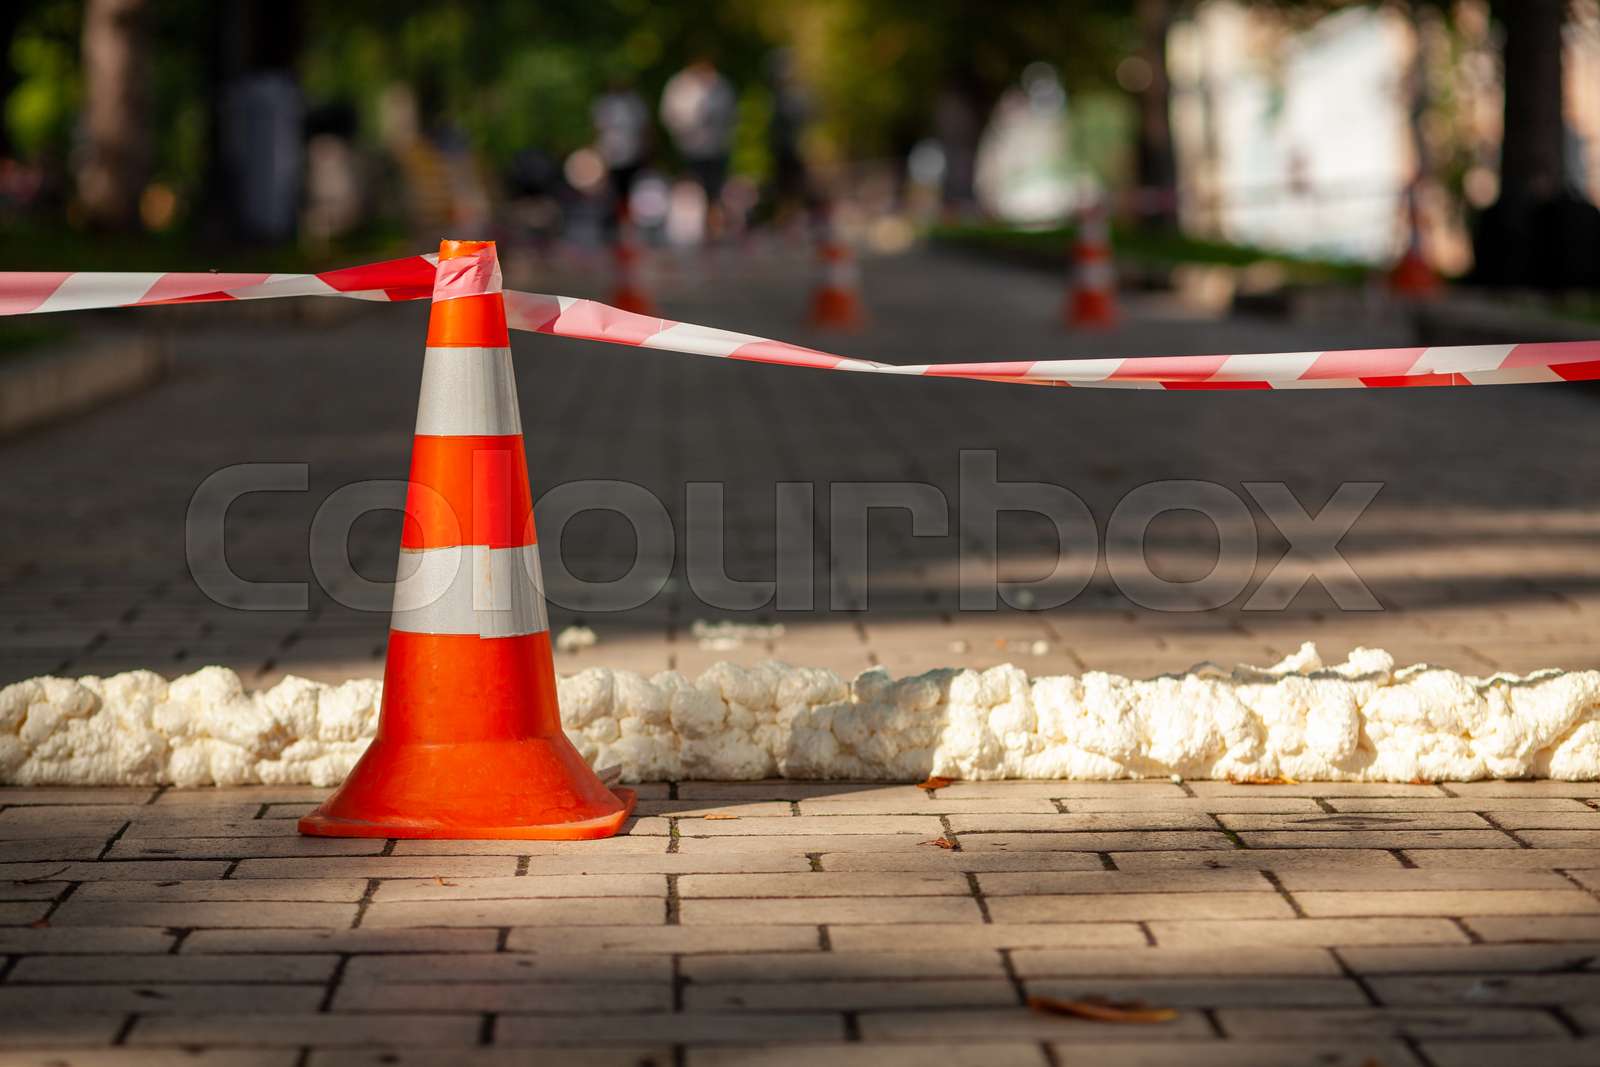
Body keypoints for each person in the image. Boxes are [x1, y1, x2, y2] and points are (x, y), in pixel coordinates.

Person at [660, 55, 737, 239]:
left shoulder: (721, 85)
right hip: (690, 148)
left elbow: (731, 114)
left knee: (714, 189)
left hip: (716, 147)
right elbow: (670, 115)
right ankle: (690, 230)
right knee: (692, 188)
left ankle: (713, 229)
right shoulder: (680, 86)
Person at [591, 76, 651, 224]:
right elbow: (597, 130)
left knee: (633, 190)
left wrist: (647, 149)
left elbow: (645, 129)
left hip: (633, 154)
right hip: (610, 155)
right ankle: (614, 223)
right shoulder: (604, 103)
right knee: (611, 192)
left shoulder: (635, 103)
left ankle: (632, 222)